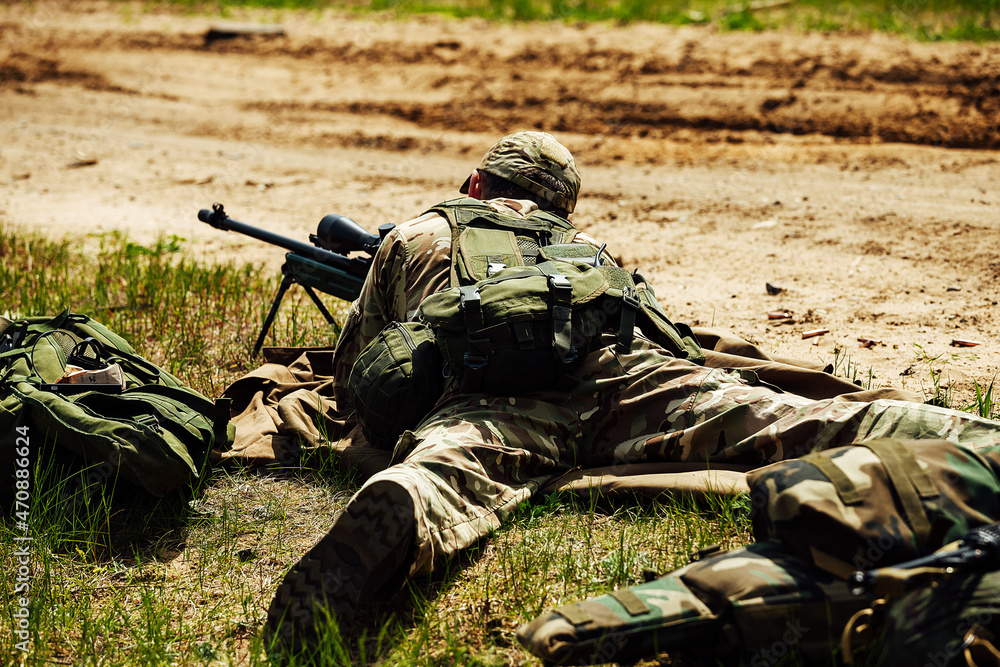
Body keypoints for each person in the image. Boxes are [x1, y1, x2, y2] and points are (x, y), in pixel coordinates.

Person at [263, 131, 1000, 655]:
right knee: (791, 418)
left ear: (478, 184)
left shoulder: (418, 233)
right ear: (562, 205)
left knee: (451, 462)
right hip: (634, 383)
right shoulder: (584, 248)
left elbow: (356, 375)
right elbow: (658, 334)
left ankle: (405, 505)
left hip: (497, 399)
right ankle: (963, 432)